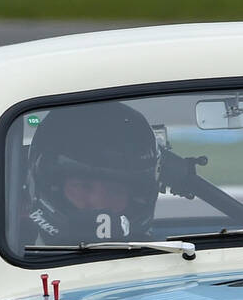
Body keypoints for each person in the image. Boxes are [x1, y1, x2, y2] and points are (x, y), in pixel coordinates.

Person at [24, 101, 159, 243]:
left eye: (115, 190)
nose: (99, 203)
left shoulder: (167, 258)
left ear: (135, 197)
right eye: (83, 186)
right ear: (53, 187)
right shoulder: (8, 252)